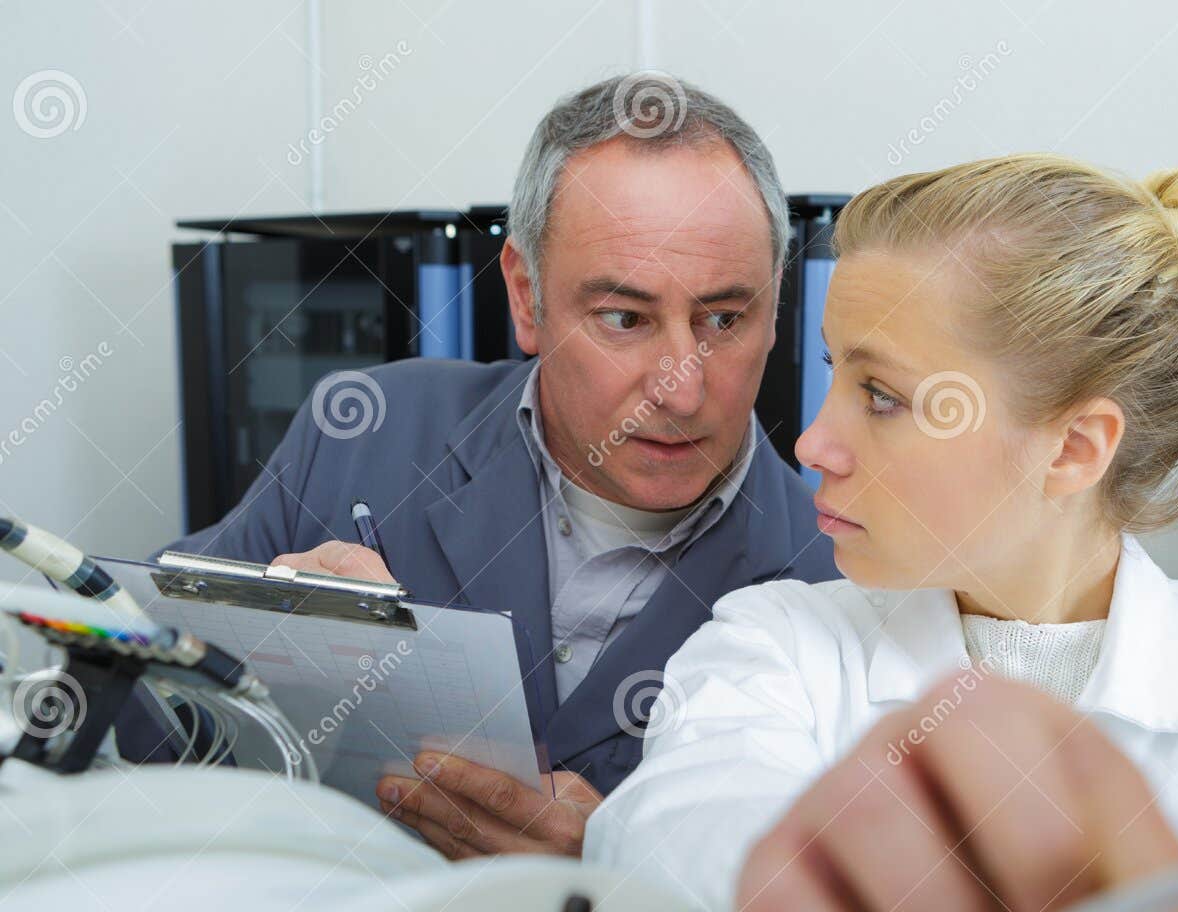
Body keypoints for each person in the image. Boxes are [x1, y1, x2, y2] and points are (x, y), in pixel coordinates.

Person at [583, 153, 1178, 912]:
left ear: (1074, 448)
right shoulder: (773, 646)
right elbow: (671, 850)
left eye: (881, 394)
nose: (812, 444)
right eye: (831, 374)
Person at [131, 73, 838, 855]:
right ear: (527, 297)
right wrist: (270, 652)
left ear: (778, 308)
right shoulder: (362, 435)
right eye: (623, 318)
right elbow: (131, 698)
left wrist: (616, 867)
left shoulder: (838, 582)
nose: (681, 385)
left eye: (725, 318)